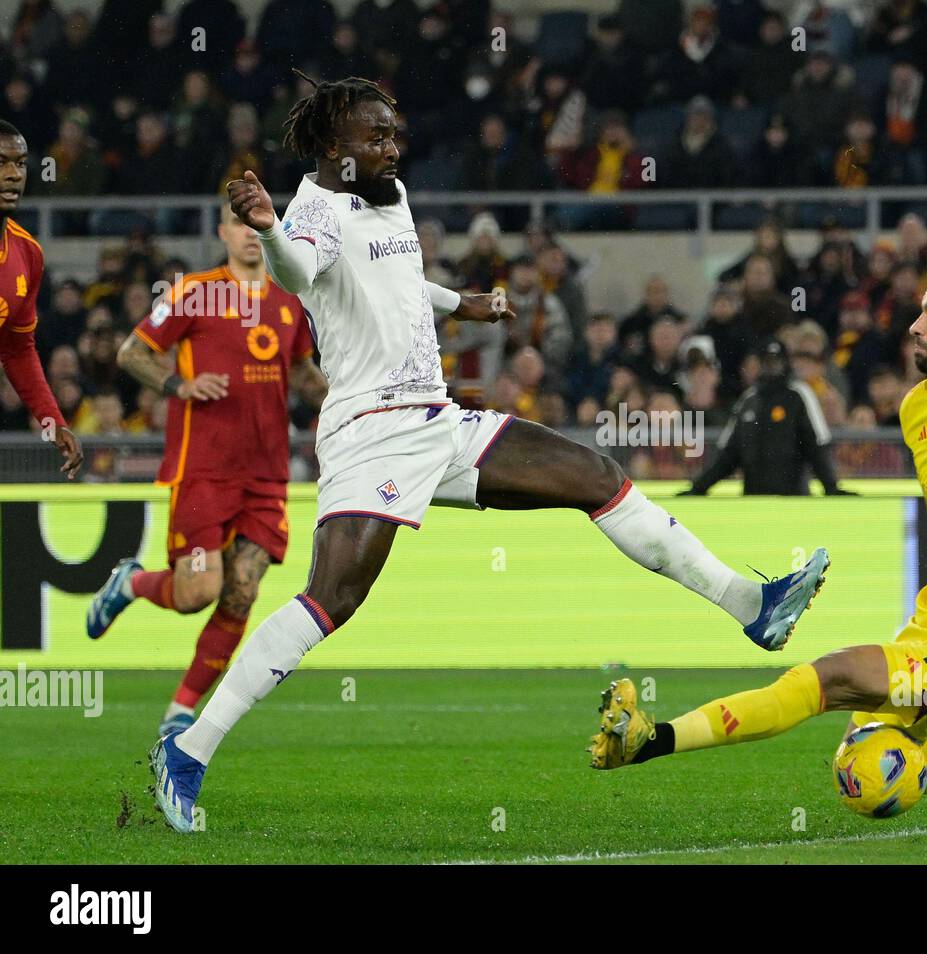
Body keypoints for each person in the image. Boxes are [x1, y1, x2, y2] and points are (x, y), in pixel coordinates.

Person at [148, 74, 830, 833]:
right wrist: (271, 228)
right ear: (336, 144)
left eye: (394, 133)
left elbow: (397, 278)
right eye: (376, 136)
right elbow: (300, 274)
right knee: (332, 600)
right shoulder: (314, 208)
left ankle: (751, 606)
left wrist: (459, 302)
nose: (392, 146)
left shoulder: (392, 195)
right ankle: (190, 748)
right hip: (372, 428)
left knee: (597, 477)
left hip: (436, 420)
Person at [588, 265, 927, 834]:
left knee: (829, 678)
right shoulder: (918, 408)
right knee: (863, 760)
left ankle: (648, 741)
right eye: (919, 311)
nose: (916, 326)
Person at [86, 201, 328, 737]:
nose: (248, 234)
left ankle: (182, 711)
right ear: (222, 231)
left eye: (257, 224)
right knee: (197, 592)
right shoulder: (196, 291)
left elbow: (302, 371)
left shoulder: (290, 299)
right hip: (204, 473)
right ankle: (130, 584)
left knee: (241, 590)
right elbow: (132, 353)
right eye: (237, 224)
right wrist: (180, 386)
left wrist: (343, 401)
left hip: (266, 476)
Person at [0, 119, 82, 477]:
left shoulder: (27, 253)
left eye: (19, 163)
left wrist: (52, 421)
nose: (13, 174)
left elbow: (17, 349)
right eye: (1, 162)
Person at [682, 339, 850, 496]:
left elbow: (816, 447)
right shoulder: (749, 399)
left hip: (793, 498)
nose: (772, 367)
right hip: (754, 500)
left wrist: (831, 487)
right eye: (767, 361)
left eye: (776, 361)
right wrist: (698, 488)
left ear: (785, 362)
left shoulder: (799, 395)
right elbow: (728, 455)